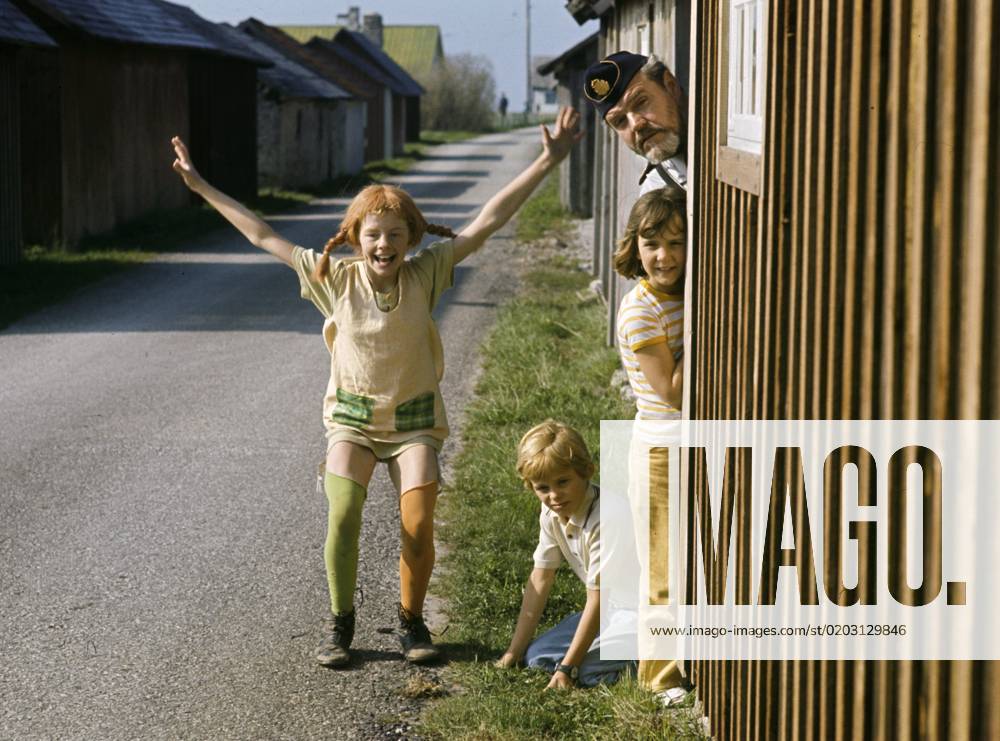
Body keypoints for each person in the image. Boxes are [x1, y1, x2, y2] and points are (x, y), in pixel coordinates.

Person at [168, 105, 582, 668]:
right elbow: (262, 234)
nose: (383, 243)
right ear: (355, 238)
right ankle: (341, 625)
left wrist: (544, 161)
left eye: (395, 233)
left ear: (411, 238)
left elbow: (487, 219)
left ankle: (412, 622)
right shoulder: (332, 277)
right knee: (341, 515)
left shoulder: (427, 271)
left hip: (414, 422)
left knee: (417, 523)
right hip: (353, 421)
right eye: (372, 234)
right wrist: (200, 186)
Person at [613, 186, 690, 706]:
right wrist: (712, 325)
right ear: (635, 247)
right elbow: (672, 391)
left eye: (676, 243)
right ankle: (658, 679)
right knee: (662, 566)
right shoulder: (640, 310)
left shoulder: (683, 295)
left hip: (692, 444)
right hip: (661, 450)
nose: (663, 256)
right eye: (652, 243)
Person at [496, 421, 633, 689]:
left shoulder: (608, 516)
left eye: (563, 482)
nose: (554, 496)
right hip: (607, 613)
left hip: (638, 613)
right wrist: (513, 651)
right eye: (543, 488)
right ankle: (594, 653)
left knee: (583, 670)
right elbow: (541, 576)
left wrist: (567, 668)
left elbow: (599, 597)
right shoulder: (551, 513)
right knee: (537, 658)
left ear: (586, 472)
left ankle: (657, 662)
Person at [583, 50, 688, 194]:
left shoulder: (725, 134)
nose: (636, 125)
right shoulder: (654, 191)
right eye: (620, 121)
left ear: (671, 86)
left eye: (641, 102)